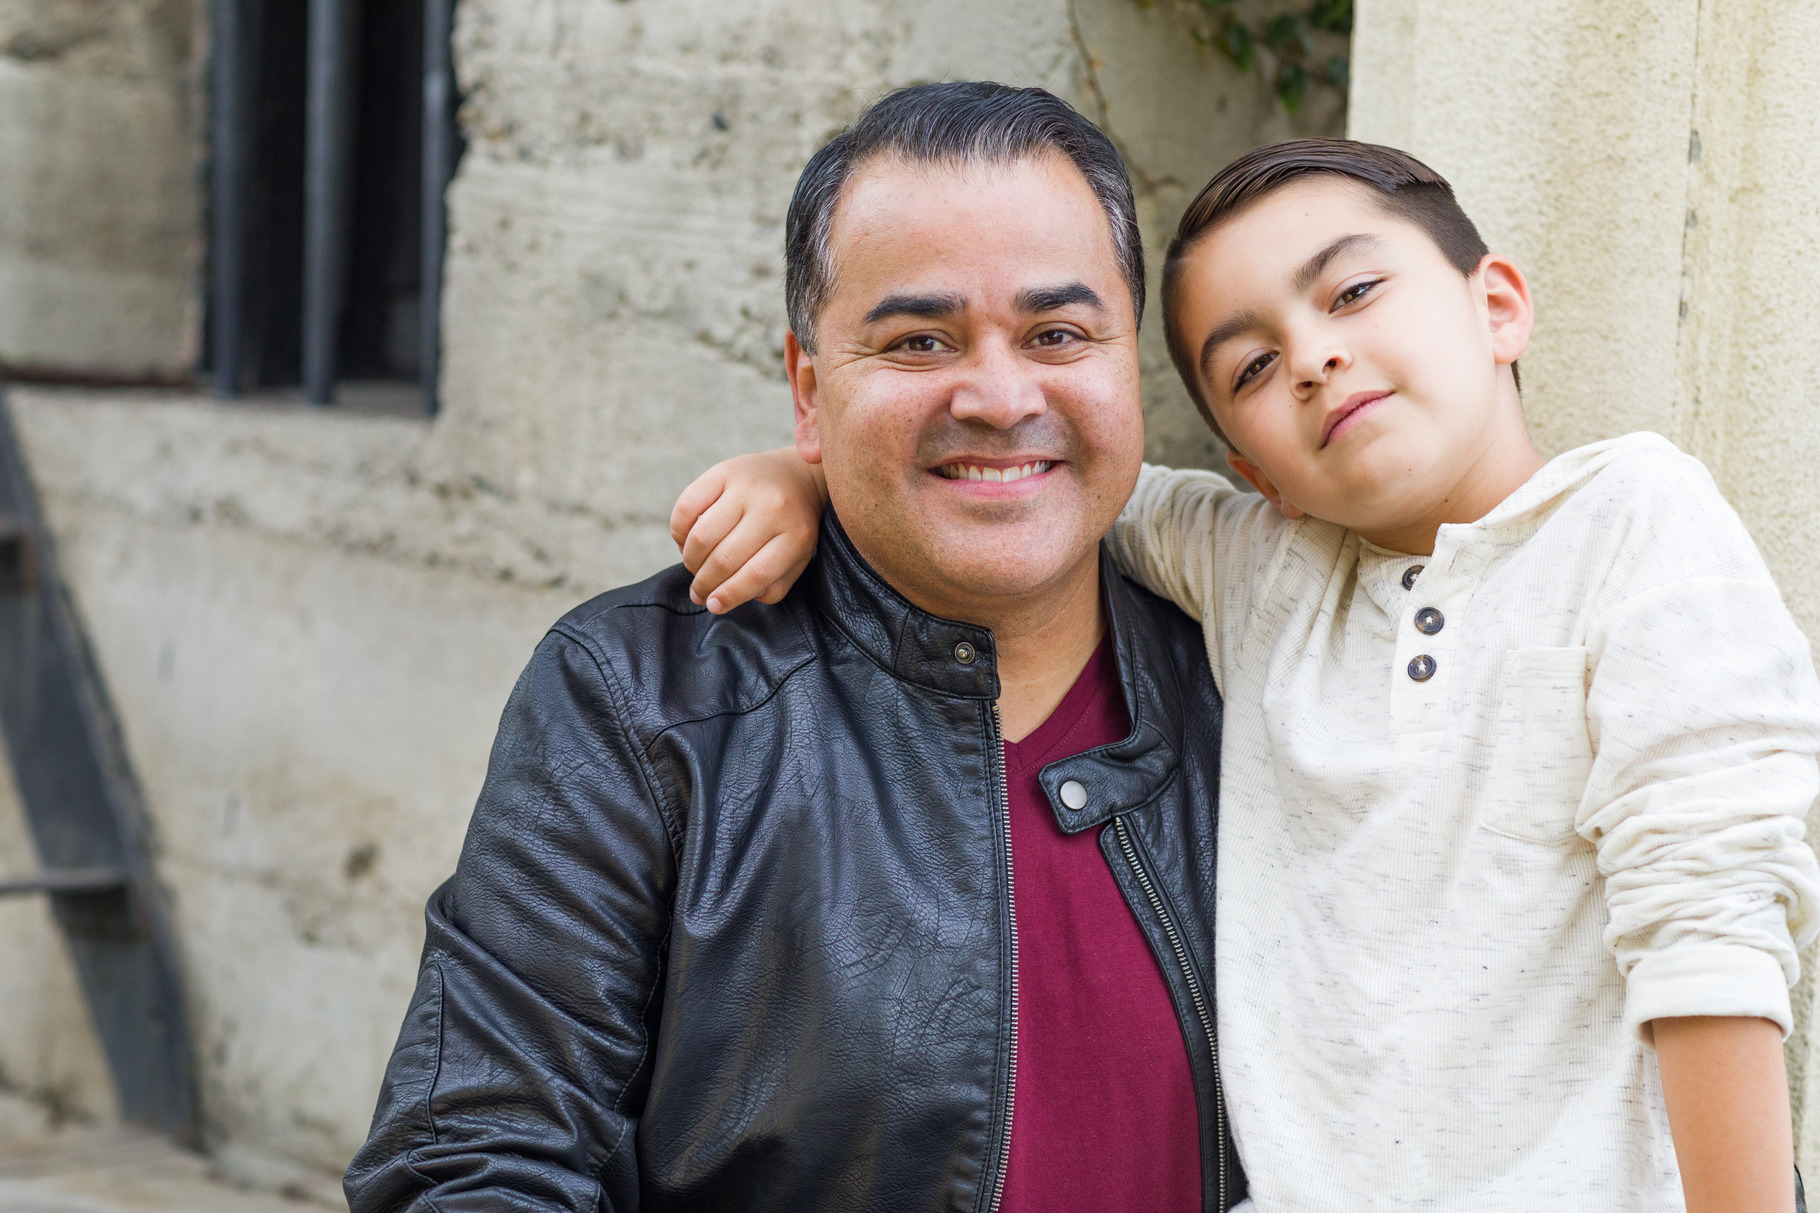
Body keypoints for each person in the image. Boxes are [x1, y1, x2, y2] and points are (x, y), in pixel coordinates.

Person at [672, 139, 1820, 1211]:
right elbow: (1025, 471)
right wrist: (806, 469)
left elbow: (1708, 922)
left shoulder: (1629, 520)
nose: (1313, 358)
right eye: (1253, 364)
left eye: (1352, 292)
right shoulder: (1261, 570)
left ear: (1495, 306)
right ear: (1251, 468)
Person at [344, 82, 1249, 1213]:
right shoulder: (642, 702)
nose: (997, 393)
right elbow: (474, 1159)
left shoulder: (1255, 677)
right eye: (918, 340)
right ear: (809, 393)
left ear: (1128, 363)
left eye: (1056, 334)